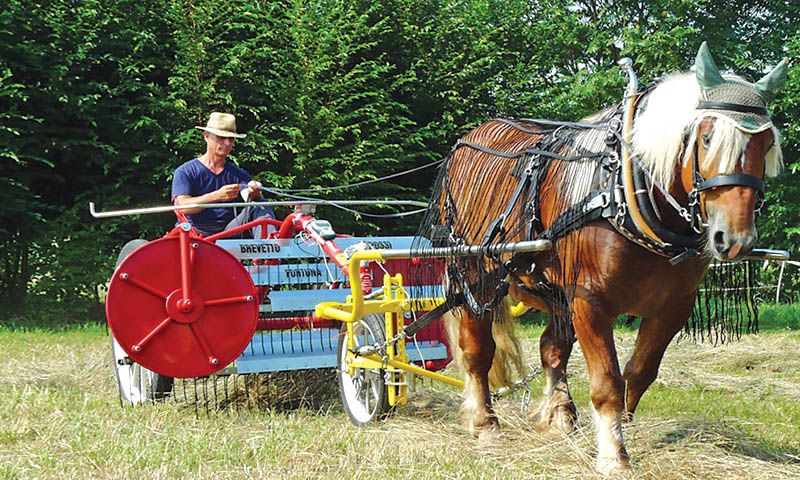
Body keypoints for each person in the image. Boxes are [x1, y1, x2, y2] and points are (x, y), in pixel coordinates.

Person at [171, 112, 275, 237]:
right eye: (221, 137)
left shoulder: (238, 174)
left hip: (227, 233)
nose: (227, 143)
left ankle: (269, 250)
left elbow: (248, 196)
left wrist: (255, 192)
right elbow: (182, 208)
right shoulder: (185, 171)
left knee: (261, 204)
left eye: (231, 139)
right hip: (194, 234)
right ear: (206, 136)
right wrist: (217, 196)